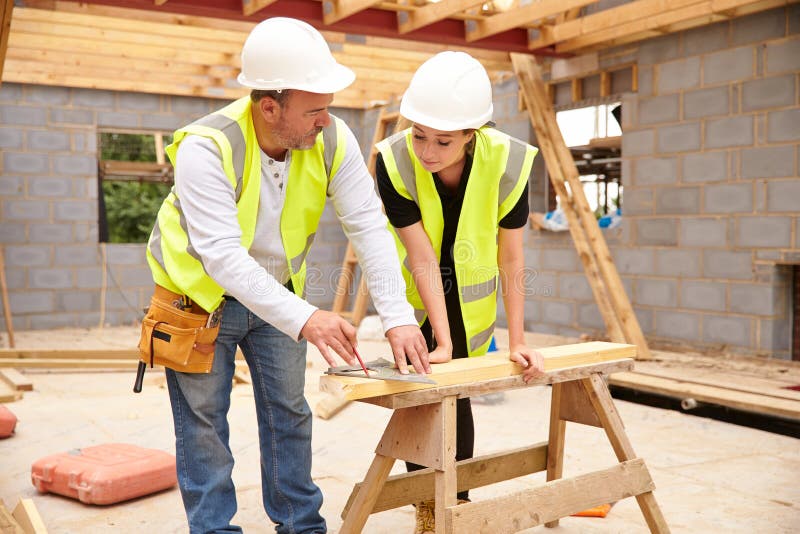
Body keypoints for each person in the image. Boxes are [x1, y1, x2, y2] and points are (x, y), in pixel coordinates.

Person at [145, 18, 430, 534]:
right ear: (269, 106)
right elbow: (223, 259)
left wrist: (398, 318)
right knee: (204, 426)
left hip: (277, 295)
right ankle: (213, 529)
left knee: (289, 414)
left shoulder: (331, 138)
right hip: (196, 300)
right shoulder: (206, 147)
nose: (326, 119)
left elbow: (367, 225)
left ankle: (301, 524)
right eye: (315, 109)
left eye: (328, 106)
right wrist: (309, 320)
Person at [374, 51, 546, 533]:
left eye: (443, 141)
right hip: (416, 296)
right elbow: (421, 255)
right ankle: (428, 510)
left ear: (473, 134)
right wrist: (440, 341)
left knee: (459, 396)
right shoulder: (393, 162)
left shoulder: (509, 162)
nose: (427, 151)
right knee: (422, 395)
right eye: (419, 135)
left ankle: (458, 501)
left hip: (472, 304)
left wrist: (518, 341)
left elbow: (512, 256)